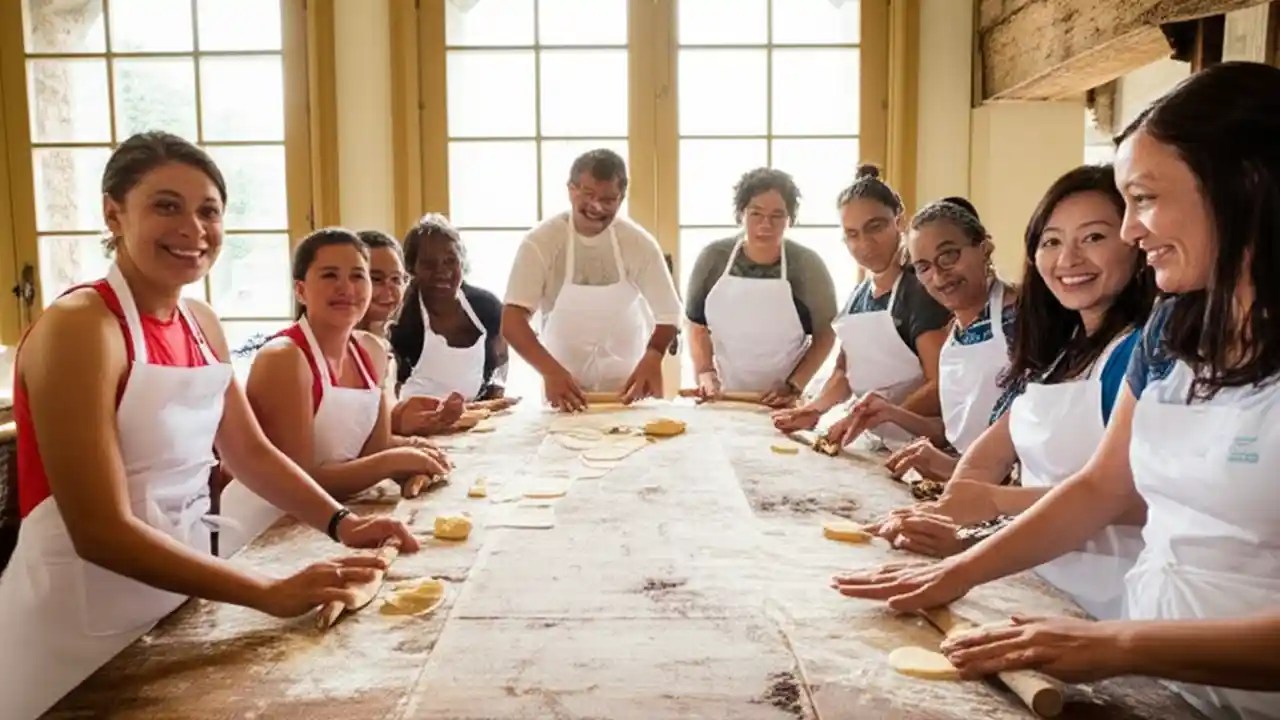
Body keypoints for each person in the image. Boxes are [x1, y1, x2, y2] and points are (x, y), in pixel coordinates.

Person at [832, 62, 1280, 719]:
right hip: (1162, 694)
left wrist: (1120, 643)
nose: (1131, 229)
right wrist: (957, 569)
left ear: (1243, 183)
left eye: (1145, 200)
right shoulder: (1172, 328)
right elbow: (1102, 487)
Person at [0, 132, 418, 720]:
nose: (193, 228)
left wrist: (342, 524)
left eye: (209, 211)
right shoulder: (81, 327)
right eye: (166, 206)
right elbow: (97, 529)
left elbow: (249, 452)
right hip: (72, 626)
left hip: (174, 598)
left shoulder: (200, 322)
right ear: (113, 213)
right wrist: (266, 592)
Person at [869, 164, 1154, 621]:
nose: (1068, 260)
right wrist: (953, 511)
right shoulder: (1062, 352)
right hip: (1037, 579)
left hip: (1105, 604)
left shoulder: (1139, 354)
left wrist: (986, 516)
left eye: (1094, 238)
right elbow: (991, 453)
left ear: (1138, 241)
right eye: (1052, 241)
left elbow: (1133, 497)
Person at [221, 228, 450, 557]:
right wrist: (392, 461)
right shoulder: (284, 358)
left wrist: (411, 462)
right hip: (263, 529)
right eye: (330, 275)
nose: (347, 288)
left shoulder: (371, 351)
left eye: (358, 276)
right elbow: (299, 479)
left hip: (333, 521)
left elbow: (374, 450)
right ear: (300, 290)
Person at [773, 165, 950, 446]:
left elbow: (941, 384)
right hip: (875, 442)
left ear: (898, 220)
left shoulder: (921, 291)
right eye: (852, 234)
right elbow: (845, 373)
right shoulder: (859, 295)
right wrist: (814, 409)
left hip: (922, 447)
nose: (865, 244)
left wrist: (876, 418)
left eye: (875, 227)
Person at [502, 149, 683, 411]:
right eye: (588, 195)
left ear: (621, 199)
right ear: (571, 190)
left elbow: (669, 313)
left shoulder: (638, 244)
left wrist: (653, 357)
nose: (597, 207)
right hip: (564, 393)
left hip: (630, 393)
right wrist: (550, 372)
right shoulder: (541, 242)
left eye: (608, 199)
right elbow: (512, 321)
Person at [684, 168, 837, 407]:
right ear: (741, 213)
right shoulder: (713, 258)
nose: (766, 224)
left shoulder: (807, 265)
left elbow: (826, 334)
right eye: (756, 213)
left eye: (777, 215)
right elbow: (696, 324)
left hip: (783, 401)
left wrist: (793, 385)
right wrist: (705, 372)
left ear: (789, 219)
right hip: (723, 396)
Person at [357, 228, 464, 436]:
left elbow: (378, 428)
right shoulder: (339, 348)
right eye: (376, 279)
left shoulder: (382, 344)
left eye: (397, 279)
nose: (390, 290)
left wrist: (402, 415)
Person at [390, 214, 508, 403]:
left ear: (462, 263)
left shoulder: (486, 307)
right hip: (416, 426)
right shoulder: (402, 319)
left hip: (476, 419)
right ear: (412, 268)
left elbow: (501, 360)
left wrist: (494, 391)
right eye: (429, 264)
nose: (442, 271)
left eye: (450, 261)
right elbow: (390, 391)